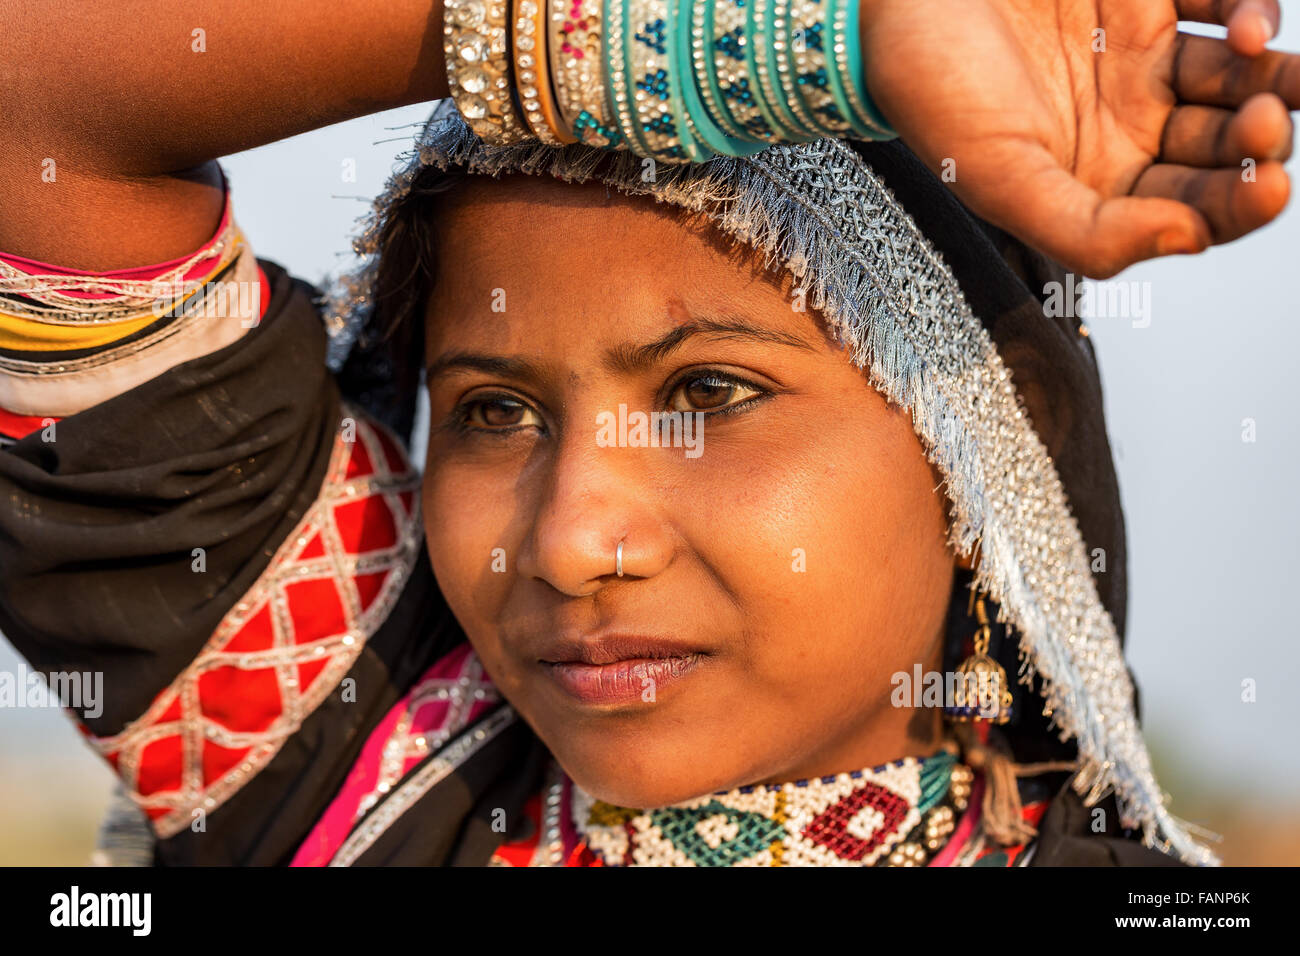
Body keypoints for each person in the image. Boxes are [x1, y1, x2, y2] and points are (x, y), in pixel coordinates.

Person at [0, 0, 1293, 866]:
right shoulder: (344, 736)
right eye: (494, 413)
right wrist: (807, 43)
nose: (571, 545)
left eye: (707, 395)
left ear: (989, 441)